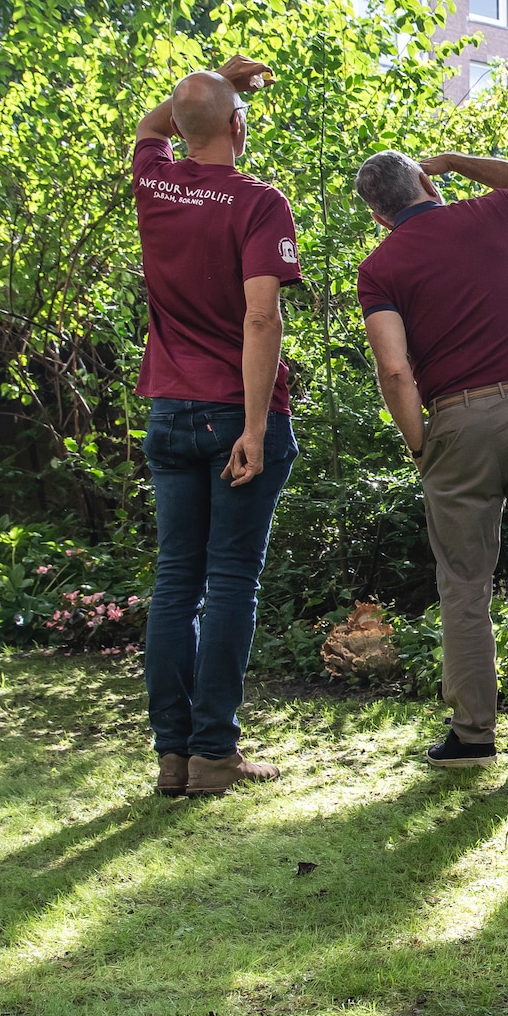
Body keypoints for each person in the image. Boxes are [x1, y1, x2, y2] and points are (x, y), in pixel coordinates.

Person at [353, 149, 508, 769]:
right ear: (427, 183)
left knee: (463, 585)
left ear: (378, 216)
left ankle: (473, 737)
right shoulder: (489, 216)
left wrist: (419, 445)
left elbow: (395, 369)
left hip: (456, 421)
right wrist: (458, 160)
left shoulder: (378, 267)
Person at [132, 57, 301, 798]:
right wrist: (258, 428)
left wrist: (213, 82)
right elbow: (260, 316)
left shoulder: (154, 182)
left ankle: (174, 756)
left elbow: (154, 123)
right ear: (238, 127)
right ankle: (213, 753)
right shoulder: (260, 203)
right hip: (237, 413)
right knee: (230, 577)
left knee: (176, 582)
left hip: (169, 409)